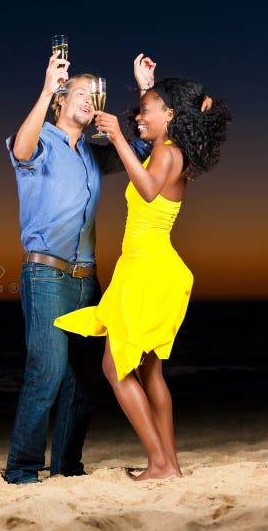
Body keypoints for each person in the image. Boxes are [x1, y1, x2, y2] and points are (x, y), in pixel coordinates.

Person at [55, 59, 231, 480]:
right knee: (150, 371)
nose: (137, 117)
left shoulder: (168, 153)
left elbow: (148, 190)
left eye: (146, 110)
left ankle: (158, 462)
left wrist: (116, 137)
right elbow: (151, 136)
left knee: (115, 369)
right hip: (150, 266)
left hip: (148, 269)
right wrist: (144, 90)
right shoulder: (169, 150)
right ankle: (169, 464)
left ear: (169, 116)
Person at [3, 51, 153, 485]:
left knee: (84, 383)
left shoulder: (91, 152)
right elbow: (20, 149)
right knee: (46, 372)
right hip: (46, 276)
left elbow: (144, 147)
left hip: (89, 280)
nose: (90, 100)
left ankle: (67, 466)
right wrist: (47, 85)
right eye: (81, 93)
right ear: (62, 100)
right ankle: (22, 469)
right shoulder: (40, 138)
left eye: (95, 95)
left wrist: (144, 89)